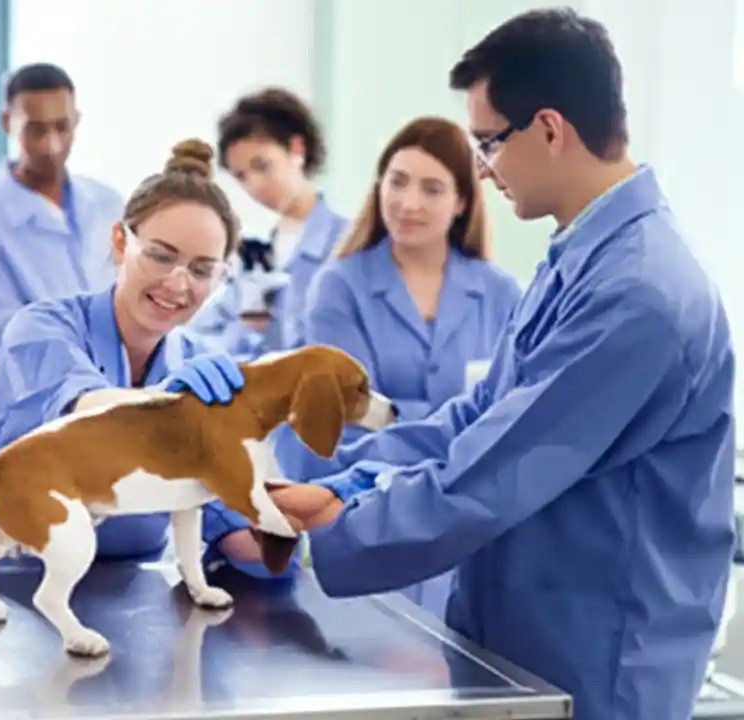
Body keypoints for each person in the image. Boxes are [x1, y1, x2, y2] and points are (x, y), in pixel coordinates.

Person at [264, 9, 735, 720]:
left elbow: (499, 471)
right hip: (521, 635)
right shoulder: (580, 258)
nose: (482, 170)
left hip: (601, 661)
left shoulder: (640, 293)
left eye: (488, 143)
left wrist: (329, 528)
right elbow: (476, 420)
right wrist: (340, 485)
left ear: (549, 129)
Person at [0, 139, 296, 578]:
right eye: (160, 255)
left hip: (117, 606)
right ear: (121, 242)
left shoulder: (199, 368)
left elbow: (240, 532)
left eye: (200, 269)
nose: (177, 284)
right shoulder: (42, 329)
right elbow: (85, 408)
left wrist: (298, 517)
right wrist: (172, 408)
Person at [285, 115, 521, 619]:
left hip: (461, 538)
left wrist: (412, 415)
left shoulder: (501, 293)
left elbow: (512, 417)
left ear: (461, 201)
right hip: (365, 521)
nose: (408, 202)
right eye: (397, 181)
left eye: (432, 188)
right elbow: (345, 420)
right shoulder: (339, 287)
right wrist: (461, 428)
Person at [0, 62, 124, 352]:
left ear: (77, 121)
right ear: (7, 122)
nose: (52, 145)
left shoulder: (108, 204)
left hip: (124, 381)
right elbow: (8, 335)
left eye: (62, 127)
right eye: (36, 130)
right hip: (46, 389)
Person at [186, 88, 347, 358]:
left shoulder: (349, 241)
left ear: (297, 149)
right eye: (242, 176)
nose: (255, 185)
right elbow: (198, 338)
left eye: (262, 166)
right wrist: (246, 327)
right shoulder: (253, 254)